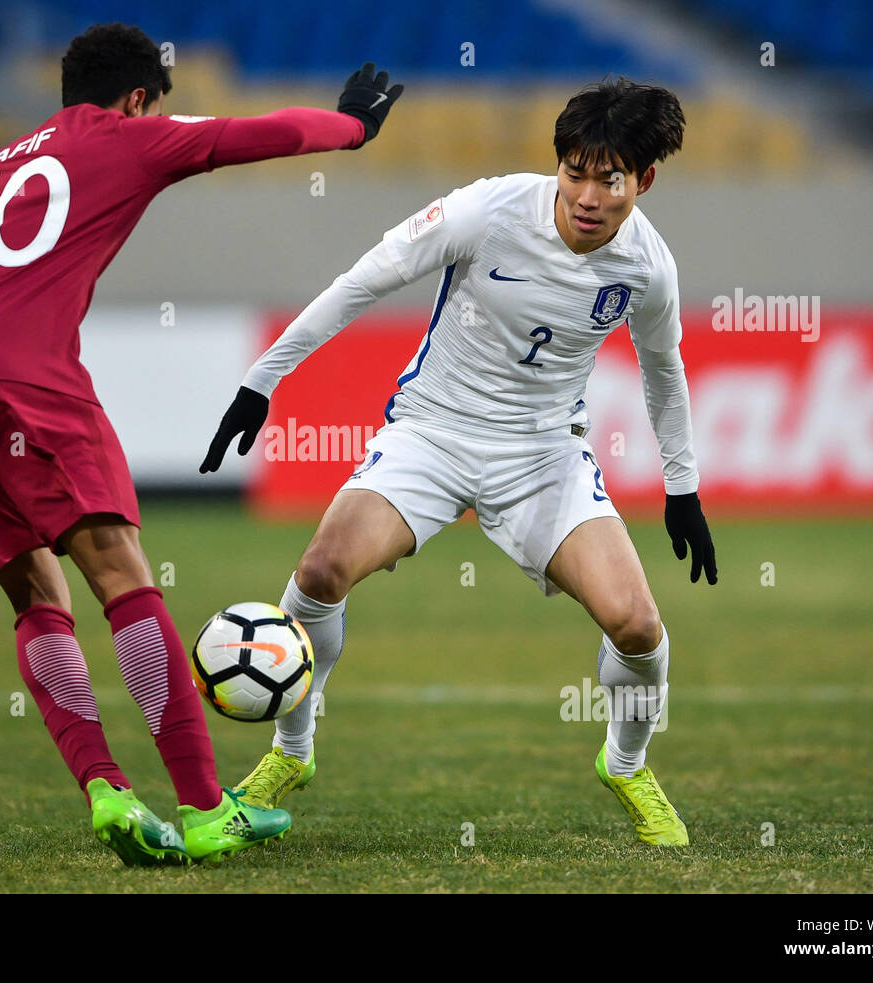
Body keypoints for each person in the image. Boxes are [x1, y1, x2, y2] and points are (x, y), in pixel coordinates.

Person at [0, 22, 403, 865]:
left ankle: (106, 787)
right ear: (138, 99)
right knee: (122, 576)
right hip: (24, 374)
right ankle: (207, 809)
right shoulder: (124, 141)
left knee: (36, 597)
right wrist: (350, 127)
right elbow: (256, 136)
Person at [201, 78, 715, 847]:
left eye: (607, 178)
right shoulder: (489, 210)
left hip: (543, 457)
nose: (585, 194)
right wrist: (261, 380)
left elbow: (663, 370)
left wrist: (683, 487)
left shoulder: (649, 268)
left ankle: (627, 763)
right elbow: (364, 281)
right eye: (573, 170)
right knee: (319, 574)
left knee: (638, 625)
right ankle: (292, 752)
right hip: (432, 435)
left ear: (643, 179)